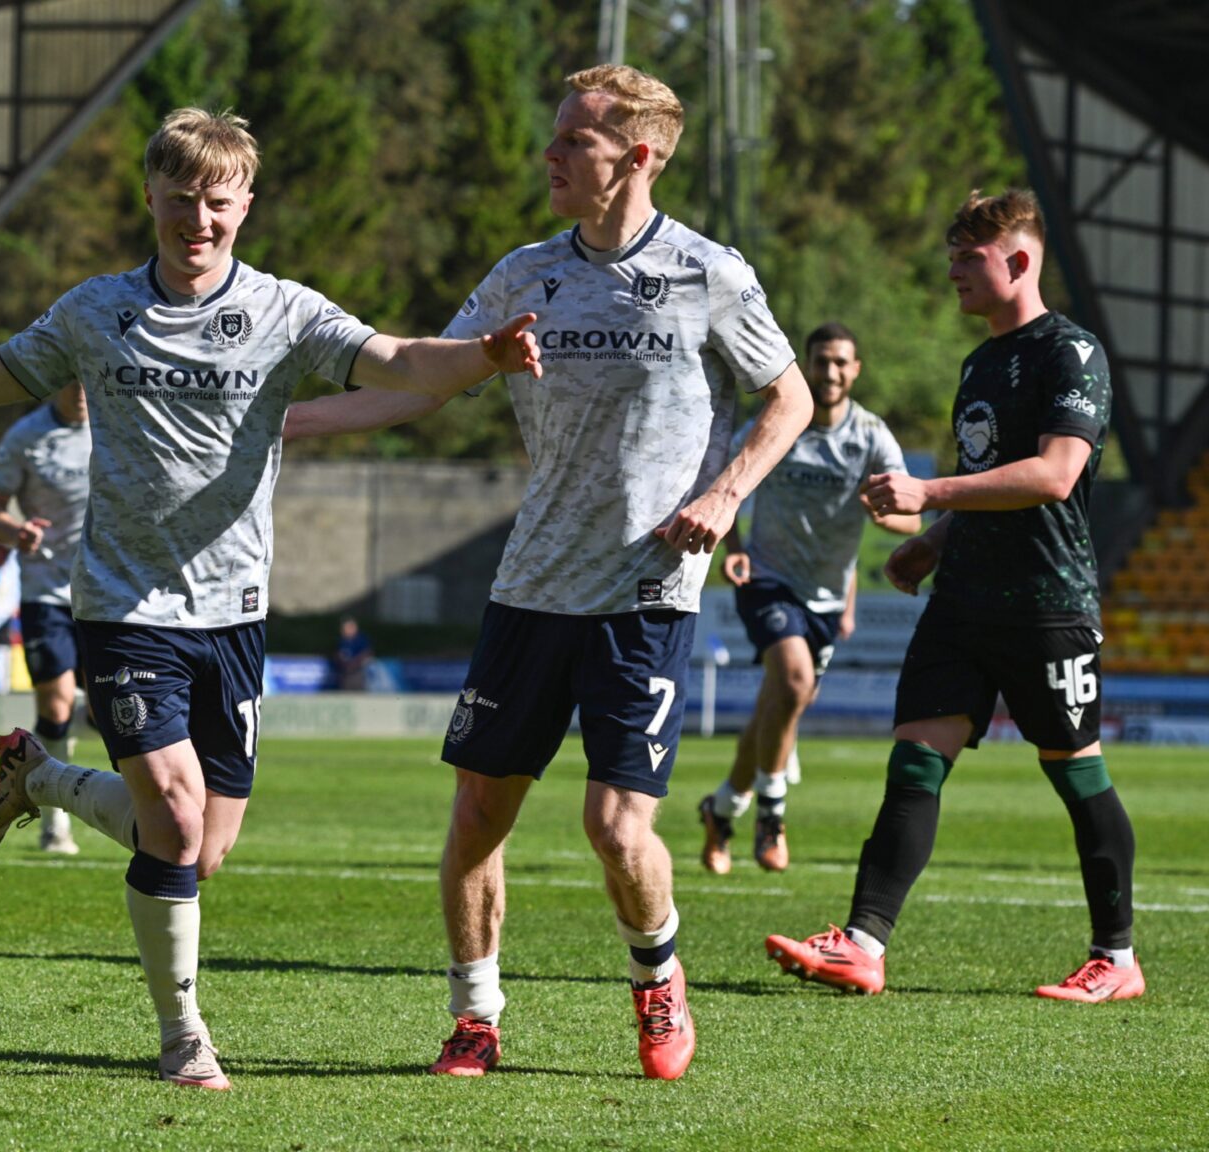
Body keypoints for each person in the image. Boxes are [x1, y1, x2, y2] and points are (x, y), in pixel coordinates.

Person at [0, 107, 540, 1090]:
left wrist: (484, 358)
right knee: (170, 811)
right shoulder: (94, 312)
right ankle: (183, 1034)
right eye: (180, 201)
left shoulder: (287, 310)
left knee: (202, 851)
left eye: (217, 202)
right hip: (124, 606)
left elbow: (404, 362)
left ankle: (38, 779)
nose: (197, 221)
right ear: (151, 199)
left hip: (236, 616)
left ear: (245, 205)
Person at [405, 65, 812, 1082]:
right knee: (477, 819)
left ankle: (658, 976)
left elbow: (789, 399)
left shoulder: (708, 272)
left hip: (645, 592)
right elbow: (427, 372)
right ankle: (475, 1018)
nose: (549, 156)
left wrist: (724, 496)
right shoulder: (524, 272)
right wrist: (285, 409)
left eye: (572, 142)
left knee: (616, 828)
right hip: (528, 587)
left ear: (637, 156)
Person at [765, 188, 1142, 1003]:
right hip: (963, 602)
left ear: (1019, 260)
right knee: (915, 761)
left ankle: (1116, 957)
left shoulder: (1069, 354)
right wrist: (934, 546)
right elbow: (983, 482)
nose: (952, 272)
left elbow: (1055, 475)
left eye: (968, 258)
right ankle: (863, 943)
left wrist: (930, 498)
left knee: (1075, 772)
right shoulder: (979, 362)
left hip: (1046, 601)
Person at [699, 323, 920, 874]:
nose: (831, 373)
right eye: (821, 361)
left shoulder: (871, 436)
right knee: (793, 681)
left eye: (841, 363)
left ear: (856, 369)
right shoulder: (780, 422)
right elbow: (725, 479)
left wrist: (886, 514)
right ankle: (771, 816)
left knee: (781, 702)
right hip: (768, 580)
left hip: (824, 599)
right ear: (808, 363)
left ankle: (722, 808)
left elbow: (914, 514)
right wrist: (733, 546)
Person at [0, 379, 91, 855]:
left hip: (111, 591)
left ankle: (36, 764)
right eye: (74, 378)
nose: (85, 388)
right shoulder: (26, 436)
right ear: (55, 382)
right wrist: (17, 532)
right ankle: (55, 823)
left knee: (119, 712)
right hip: (47, 590)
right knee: (57, 703)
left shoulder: (123, 423)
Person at [330, 615, 373, 690]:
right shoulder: (342, 641)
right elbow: (338, 655)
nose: (343, 630)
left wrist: (353, 664)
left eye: (346, 628)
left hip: (357, 673)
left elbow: (366, 654)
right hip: (345, 674)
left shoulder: (361, 639)